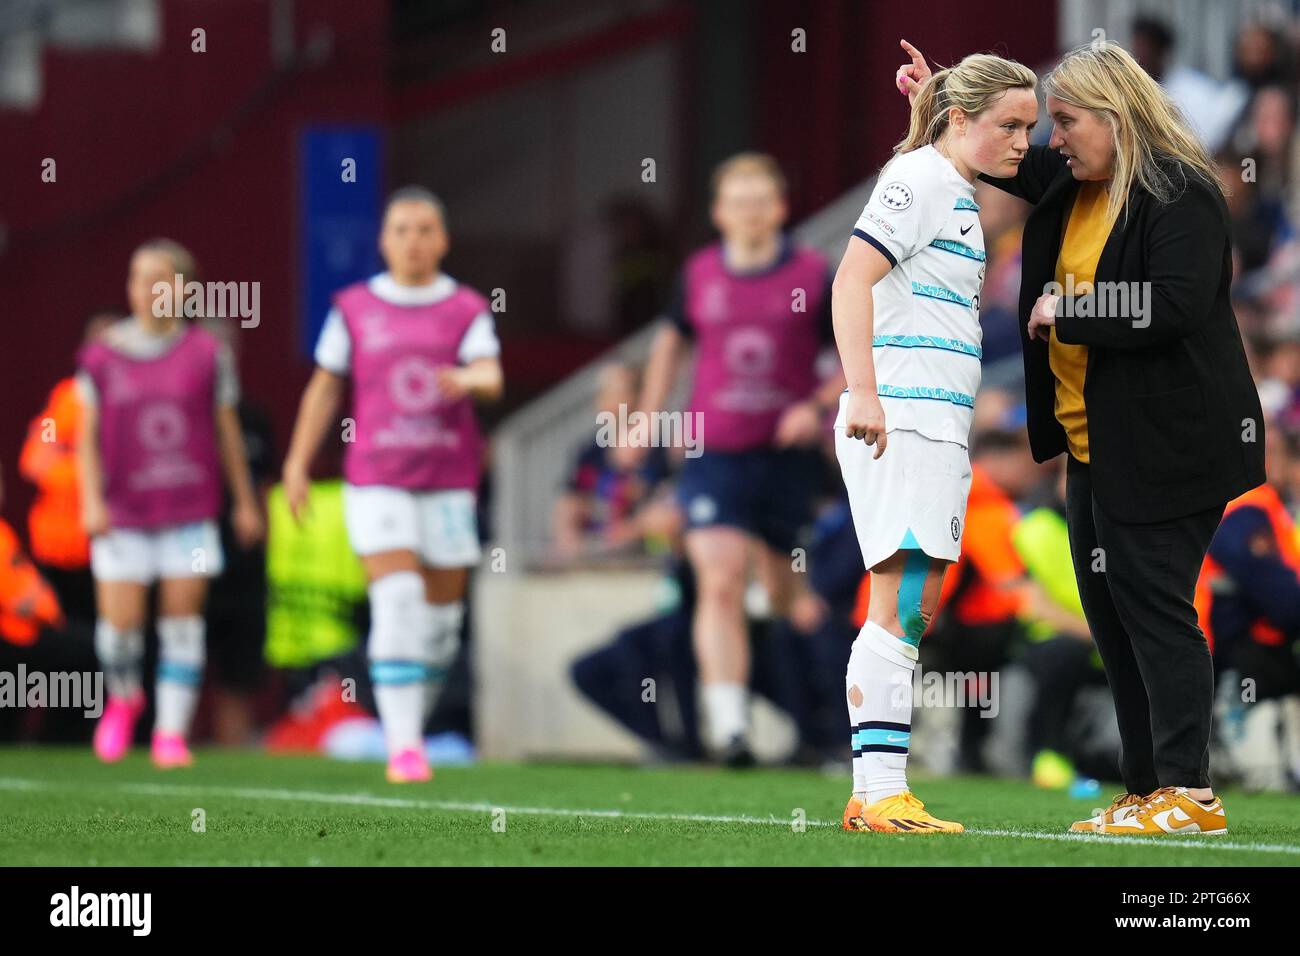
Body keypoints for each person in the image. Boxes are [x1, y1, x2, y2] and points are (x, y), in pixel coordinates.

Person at [899, 39, 1266, 835]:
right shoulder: (1072, 180)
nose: (1050, 139)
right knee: (1112, 615)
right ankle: (1146, 791)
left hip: (1173, 445)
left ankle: (1190, 794)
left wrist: (1072, 309)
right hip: (1095, 446)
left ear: (1116, 114)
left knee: (1155, 607)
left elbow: (1173, 303)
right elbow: (995, 157)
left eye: (1063, 121)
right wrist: (937, 103)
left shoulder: (1182, 192)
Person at [833, 46, 1038, 833]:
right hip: (905, 419)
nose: (1024, 144)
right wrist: (864, 391)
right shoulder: (922, 181)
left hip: (936, 425)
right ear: (962, 122)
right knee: (902, 603)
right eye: (1011, 127)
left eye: (1030, 126)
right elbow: (851, 278)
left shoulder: (947, 182)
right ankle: (882, 791)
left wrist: (940, 99)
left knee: (913, 606)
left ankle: (875, 790)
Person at [619, 153, 844, 764]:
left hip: (786, 457)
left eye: (760, 200)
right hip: (714, 452)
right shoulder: (697, 275)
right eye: (736, 201)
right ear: (719, 213)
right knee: (718, 580)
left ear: (779, 208)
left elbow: (853, 352)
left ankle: (821, 727)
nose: (748, 212)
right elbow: (670, 342)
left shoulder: (811, 273)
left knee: (787, 597)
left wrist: (816, 404)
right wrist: (645, 414)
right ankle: (731, 728)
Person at [282, 186, 503, 784]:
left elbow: (491, 373)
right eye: (402, 229)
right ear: (383, 240)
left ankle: (411, 727)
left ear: (444, 240)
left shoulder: (465, 308)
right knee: (397, 599)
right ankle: (405, 747)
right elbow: (326, 386)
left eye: (425, 229)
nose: (413, 240)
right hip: (377, 479)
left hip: (449, 481)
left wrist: (470, 377)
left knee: (440, 626)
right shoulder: (354, 307)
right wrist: (298, 461)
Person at [79, 239, 264, 767]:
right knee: (120, 629)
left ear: (184, 289)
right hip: (124, 512)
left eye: (160, 278)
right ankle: (124, 697)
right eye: (139, 278)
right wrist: (91, 500)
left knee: (183, 623)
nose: (147, 289)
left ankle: (170, 731)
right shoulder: (101, 355)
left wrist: (245, 504)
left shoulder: (208, 354)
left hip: (188, 509)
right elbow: (86, 439)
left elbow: (226, 432)